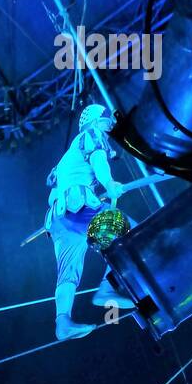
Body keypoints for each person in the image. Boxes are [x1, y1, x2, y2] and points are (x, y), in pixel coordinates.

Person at [45, 103, 133, 341]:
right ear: (95, 121)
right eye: (106, 123)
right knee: (130, 231)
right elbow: (99, 161)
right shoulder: (91, 135)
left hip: (58, 220)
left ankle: (62, 322)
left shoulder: (64, 162)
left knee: (69, 272)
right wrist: (110, 184)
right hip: (77, 207)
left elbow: (53, 189)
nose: (109, 128)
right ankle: (108, 288)